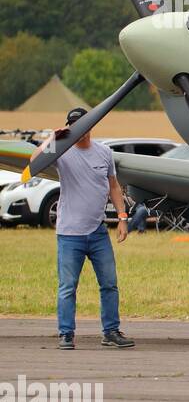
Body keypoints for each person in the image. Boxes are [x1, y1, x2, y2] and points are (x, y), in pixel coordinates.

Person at [35, 109, 135, 350]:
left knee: (109, 283)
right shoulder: (62, 152)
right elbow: (34, 162)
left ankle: (110, 331)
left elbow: (113, 186)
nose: (80, 129)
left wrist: (123, 217)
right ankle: (66, 334)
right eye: (73, 125)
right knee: (68, 286)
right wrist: (52, 139)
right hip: (70, 234)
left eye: (83, 124)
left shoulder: (104, 152)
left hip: (98, 231)